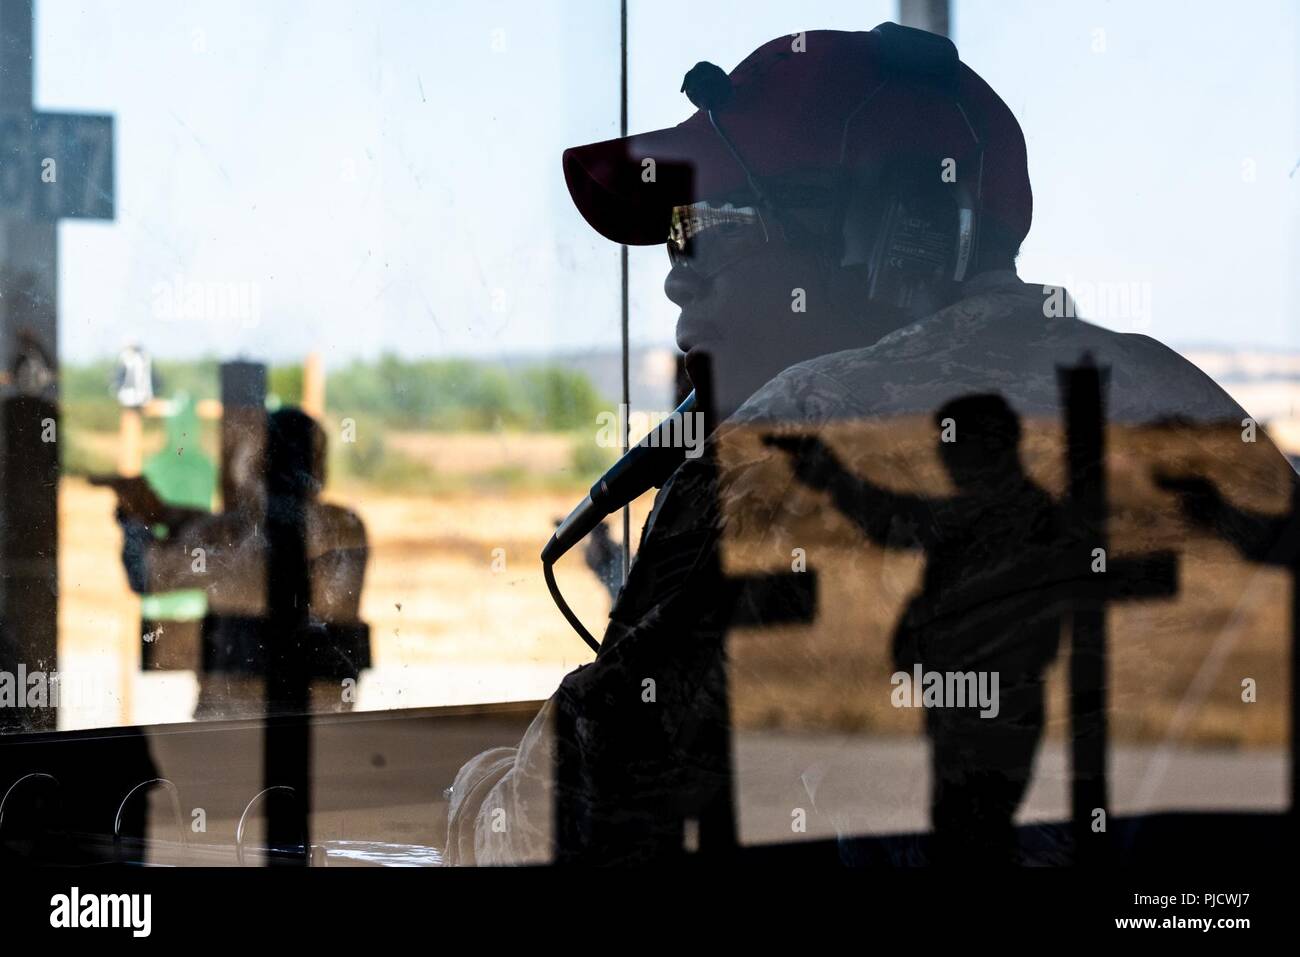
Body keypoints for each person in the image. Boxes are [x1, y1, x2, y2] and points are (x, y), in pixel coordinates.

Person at [445, 23, 1294, 865]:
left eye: (705, 224)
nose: (676, 270)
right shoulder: (1198, 409)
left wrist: (473, 794)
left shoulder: (803, 436)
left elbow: (562, 834)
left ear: (889, 235)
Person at [110, 407, 370, 718]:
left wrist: (133, 521)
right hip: (325, 721)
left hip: (232, 725)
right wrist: (175, 516)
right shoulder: (347, 526)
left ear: (255, 465)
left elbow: (144, 575)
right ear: (318, 468)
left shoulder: (230, 533)